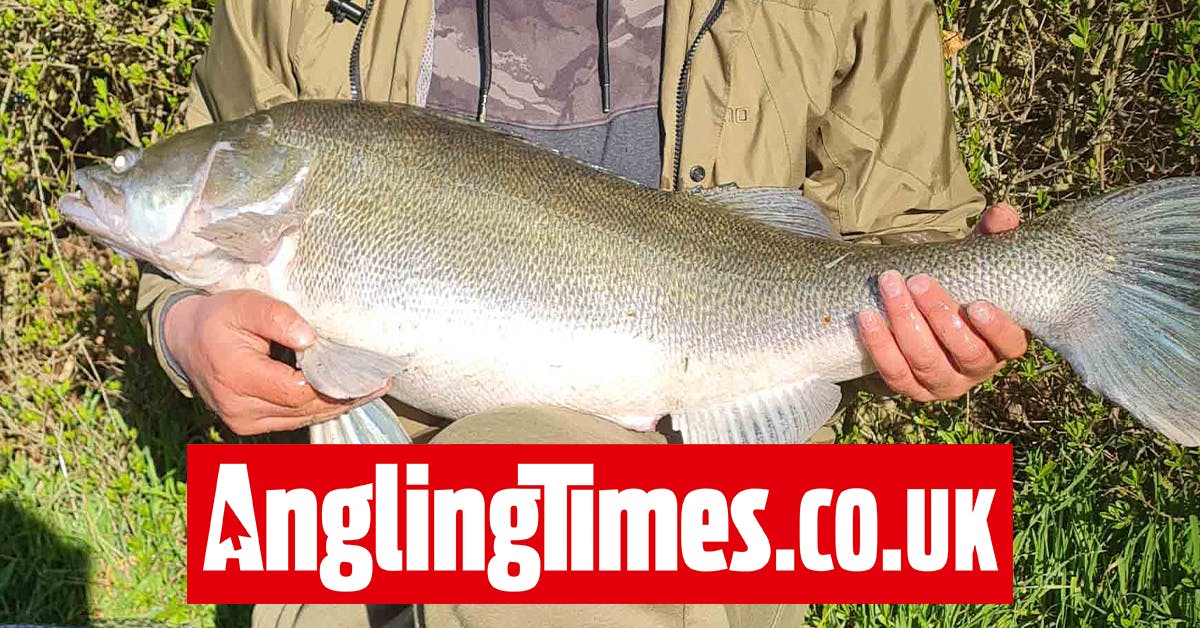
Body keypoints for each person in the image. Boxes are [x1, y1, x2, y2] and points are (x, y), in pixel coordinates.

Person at [138, 0, 1028, 626]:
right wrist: (182, 325)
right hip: (364, 483)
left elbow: (910, 230)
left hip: (714, 476)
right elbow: (212, 154)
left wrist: (947, 328)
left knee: (510, 481)